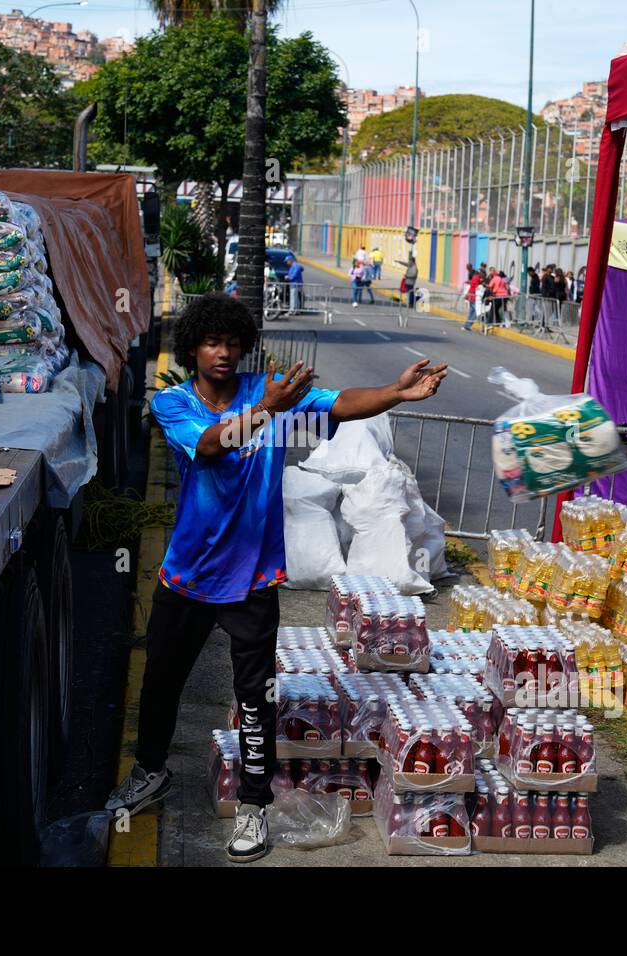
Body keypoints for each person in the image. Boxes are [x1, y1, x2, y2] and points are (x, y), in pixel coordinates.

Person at [104, 294, 448, 861]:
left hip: (254, 580)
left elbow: (338, 405)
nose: (224, 352)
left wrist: (394, 391)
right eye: (213, 342)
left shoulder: (271, 395)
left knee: (256, 697)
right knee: (161, 683)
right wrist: (267, 408)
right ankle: (149, 772)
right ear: (193, 347)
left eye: (233, 343)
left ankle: (253, 806)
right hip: (187, 576)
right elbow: (214, 447)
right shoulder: (174, 403)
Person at [460, 264, 482, 331]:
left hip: (471, 296)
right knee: (475, 312)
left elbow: (471, 286)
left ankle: (466, 325)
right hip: (474, 296)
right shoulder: (477, 278)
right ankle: (467, 326)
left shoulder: (474, 277)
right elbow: (477, 287)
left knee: (472, 311)